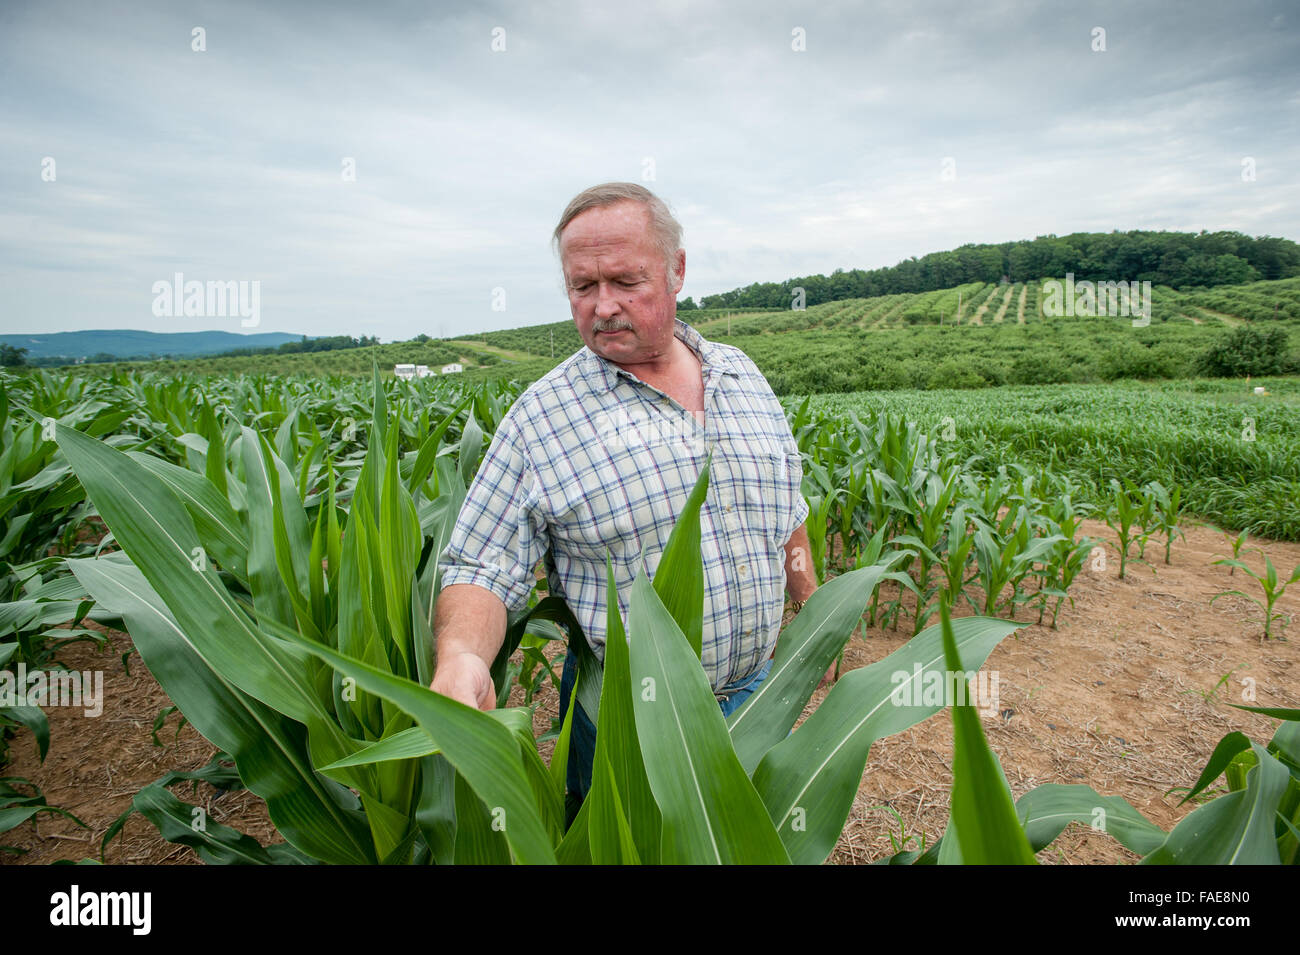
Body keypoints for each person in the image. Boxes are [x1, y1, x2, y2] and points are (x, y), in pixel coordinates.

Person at [430, 182, 818, 816]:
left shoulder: (741, 375)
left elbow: (787, 508)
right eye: (583, 287)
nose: (603, 306)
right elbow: (481, 566)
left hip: (757, 701)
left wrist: (813, 606)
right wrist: (462, 656)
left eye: (625, 281)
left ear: (677, 270)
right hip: (629, 723)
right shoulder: (541, 420)